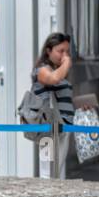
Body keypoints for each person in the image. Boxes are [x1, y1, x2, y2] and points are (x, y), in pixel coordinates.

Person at [32, 32, 75, 178]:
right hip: (48, 126)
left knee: (58, 169)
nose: (64, 55)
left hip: (63, 126)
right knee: (47, 171)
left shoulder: (58, 70)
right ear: (48, 51)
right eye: (60, 51)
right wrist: (66, 63)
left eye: (67, 51)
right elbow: (53, 79)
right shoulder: (42, 70)